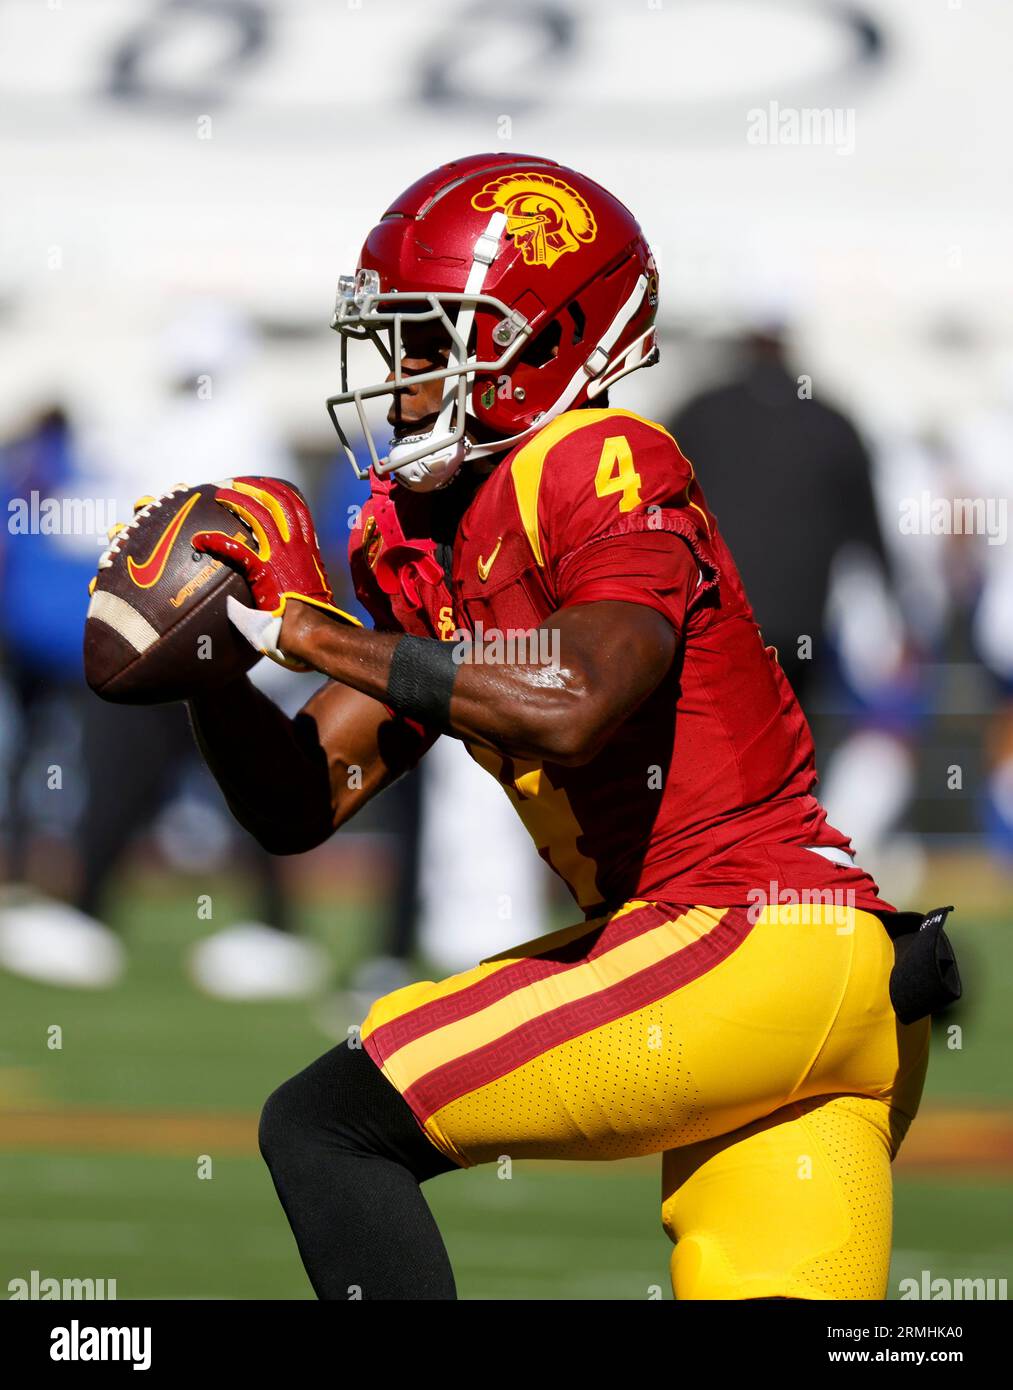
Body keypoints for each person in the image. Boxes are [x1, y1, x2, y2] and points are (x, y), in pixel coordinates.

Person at [164, 155, 931, 1299]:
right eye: (394, 342)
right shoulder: (421, 535)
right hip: (812, 981)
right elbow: (296, 803)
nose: (402, 374)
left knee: (327, 1124)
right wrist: (209, 658)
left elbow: (573, 702)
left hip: (740, 941)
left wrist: (309, 635)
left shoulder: (598, 457)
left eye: (432, 339)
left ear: (543, 343)